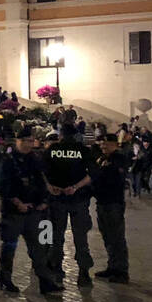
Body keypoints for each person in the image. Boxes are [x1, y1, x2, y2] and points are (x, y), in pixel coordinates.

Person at [0, 131, 61, 295]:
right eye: (25, 141)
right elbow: (3, 186)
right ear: (17, 141)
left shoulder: (35, 159)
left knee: (39, 248)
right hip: (14, 212)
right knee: (9, 247)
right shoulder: (9, 161)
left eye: (31, 141)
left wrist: (44, 202)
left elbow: (42, 181)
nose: (28, 144)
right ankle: (5, 278)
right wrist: (17, 202)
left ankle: (45, 281)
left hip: (34, 212)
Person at [43, 121, 95, 287]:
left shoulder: (52, 150)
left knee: (56, 237)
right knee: (81, 237)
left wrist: (50, 187)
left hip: (57, 199)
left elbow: (41, 172)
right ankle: (83, 273)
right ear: (76, 135)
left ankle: (57, 270)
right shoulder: (84, 151)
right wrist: (75, 187)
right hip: (78, 199)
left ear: (61, 135)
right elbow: (92, 174)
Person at [92, 132, 129, 284]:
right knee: (107, 236)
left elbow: (115, 178)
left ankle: (121, 271)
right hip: (102, 202)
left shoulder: (119, 159)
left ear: (114, 144)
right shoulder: (102, 159)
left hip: (114, 202)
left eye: (106, 143)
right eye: (101, 143)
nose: (103, 146)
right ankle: (112, 266)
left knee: (117, 237)